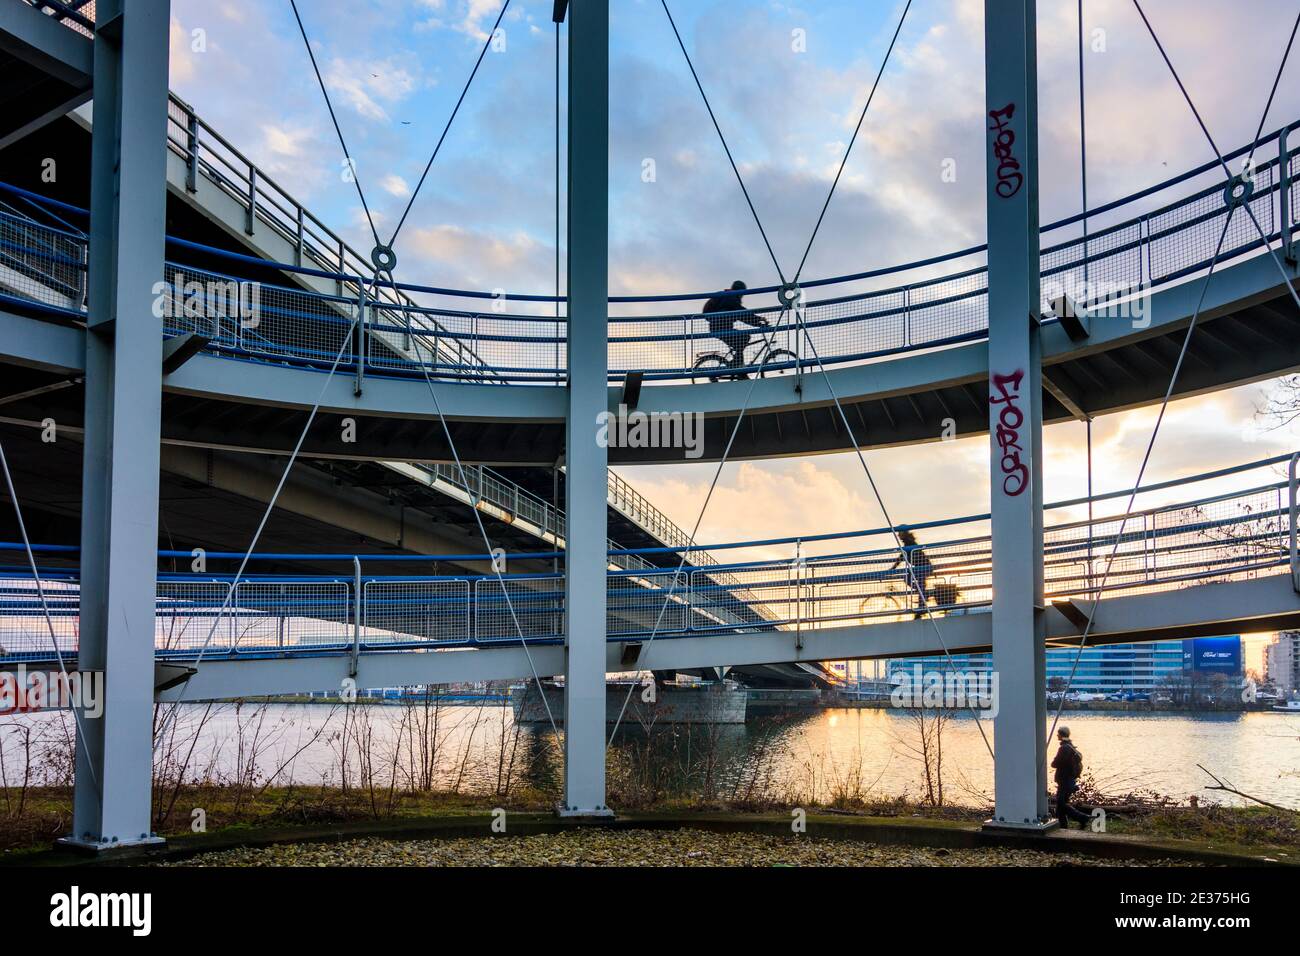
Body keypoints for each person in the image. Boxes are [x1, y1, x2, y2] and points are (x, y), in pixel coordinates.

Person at [702, 280, 769, 372]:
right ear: (740, 291)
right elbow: (743, 314)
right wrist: (759, 321)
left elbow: (742, 314)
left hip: (720, 327)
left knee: (740, 341)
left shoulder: (728, 296)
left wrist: (758, 323)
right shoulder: (731, 298)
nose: (742, 295)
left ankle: (737, 366)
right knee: (744, 337)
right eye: (743, 293)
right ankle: (738, 368)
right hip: (720, 328)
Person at [1050, 726, 1092, 829]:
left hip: (1065, 781)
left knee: (1061, 804)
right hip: (1069, 780)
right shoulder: (1070, 746)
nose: (1057, 735)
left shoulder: (1064, 748)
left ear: (1061, 734)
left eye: (1058, 733)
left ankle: (1083, 817)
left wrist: (1055, 762)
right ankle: (1063, 826)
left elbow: (1054, 763)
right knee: (1061, 806)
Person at [895, 528, 934, 619]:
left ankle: (920, 610)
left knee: (915, 582)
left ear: (903, 533)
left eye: (899, 533)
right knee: (913, 582)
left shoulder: (909, 542)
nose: (898, 535)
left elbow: (902, 557)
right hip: (920, 568)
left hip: (923, 568)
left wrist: (892, 569)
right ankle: (923, 596)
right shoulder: (908, 542)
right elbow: (902, 556)